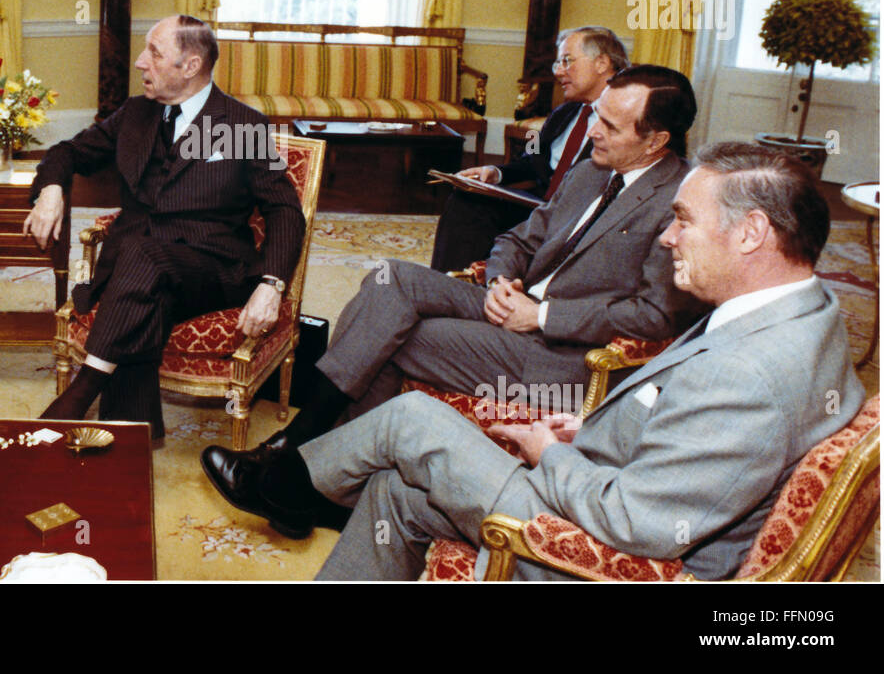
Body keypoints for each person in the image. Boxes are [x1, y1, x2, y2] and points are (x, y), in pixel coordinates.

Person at [213, 142, 865, 579]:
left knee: (412, 421)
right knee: (394, 488)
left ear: (751, 233)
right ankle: (297, 483)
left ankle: (283, 483)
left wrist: (545, 450)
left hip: (608, 554)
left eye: (684, 221)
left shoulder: (754, 372)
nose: (668, 236)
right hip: (616, 482)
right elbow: (704, 438)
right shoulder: (806, 308)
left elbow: (639, 523)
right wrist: (584, 432)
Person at [202, 65, 706, 515]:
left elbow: (654, 316)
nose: (592, 130)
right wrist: (501, 281)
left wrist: (543, 316)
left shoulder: (676, 203)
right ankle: (308, 462)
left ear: (656, 141)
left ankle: (302, 472)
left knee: (396, 336)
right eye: (597, 115)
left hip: (560, 353)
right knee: (388, 278)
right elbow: (519, 237)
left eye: (610, 126)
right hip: (510, 304)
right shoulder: (592, 172)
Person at [24, 14, 306, 438]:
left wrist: (272, 283)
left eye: (154, 53)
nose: (140, 62)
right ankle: (129, 440)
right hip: (136, 273)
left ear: (190, 66)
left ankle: (80, 395)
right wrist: (50, 190)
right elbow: (67, 151)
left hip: (211, 270)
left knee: (141, 260)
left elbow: (285, 209)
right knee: (143, 288)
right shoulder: (135, 114)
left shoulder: (243, 125)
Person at [430, 26, 628, 271]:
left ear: (601, 63)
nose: (558, 72)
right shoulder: (562, 114)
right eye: (557, 63)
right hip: (538, 207)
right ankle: (448, 286)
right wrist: (496, 172)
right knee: (467, 200)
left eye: (567, 61)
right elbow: (531, 158)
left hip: (576, 222)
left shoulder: (626, 121)